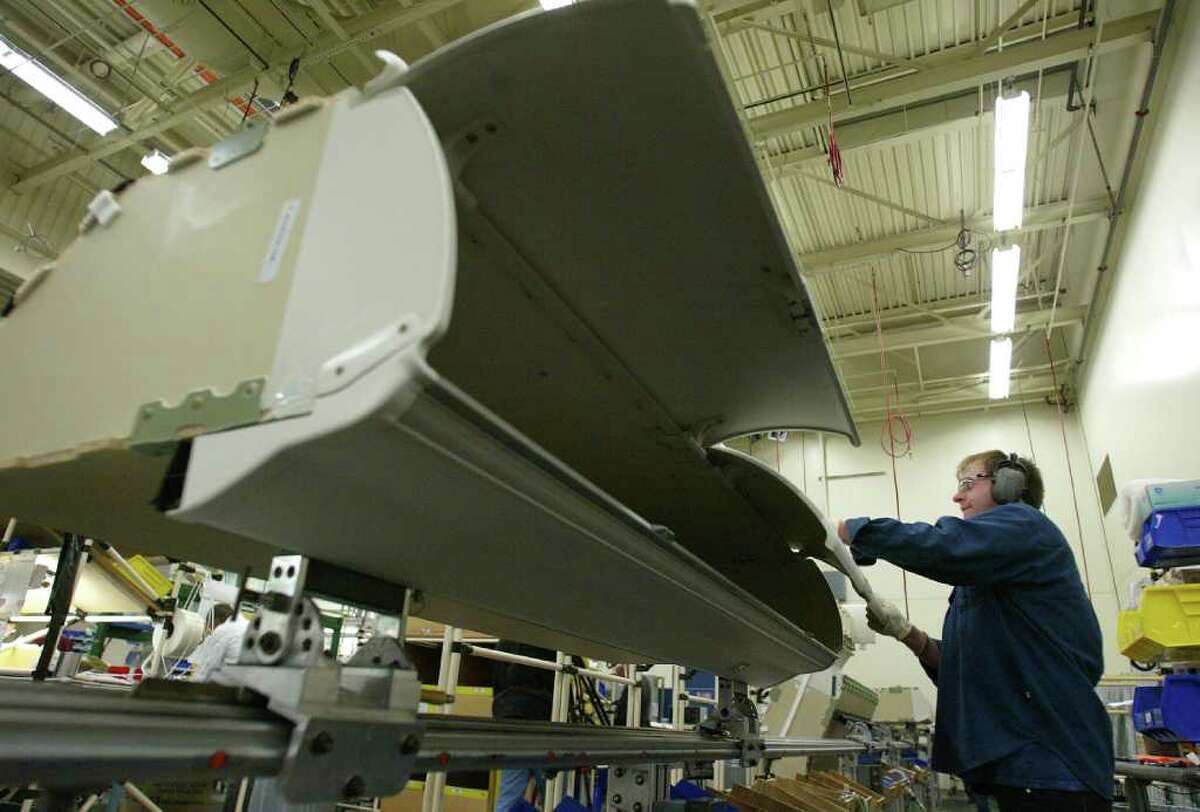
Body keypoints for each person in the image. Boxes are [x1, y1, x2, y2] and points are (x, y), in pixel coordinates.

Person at [837, 450, 1113, 811]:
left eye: (968, 484)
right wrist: (907, 634)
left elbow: (945, 546)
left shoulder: (1025, 525)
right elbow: (966, 667)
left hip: (1049, 766)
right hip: (1010, 770)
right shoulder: (988, 575)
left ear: (1008, 486)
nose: (957, 496)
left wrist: (852, 530)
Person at [492, 641, 556, 812]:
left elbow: (496, 683)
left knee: (510, 792)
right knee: (552, 792)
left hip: (508, 719)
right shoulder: (546, 640)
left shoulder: (504, 641)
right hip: (538, 720)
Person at [189, 602, 250, 682]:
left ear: (215, 622)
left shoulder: (223, 630)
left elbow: (205, 671)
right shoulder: (248, 624)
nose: (212, 632)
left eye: (211, 628)